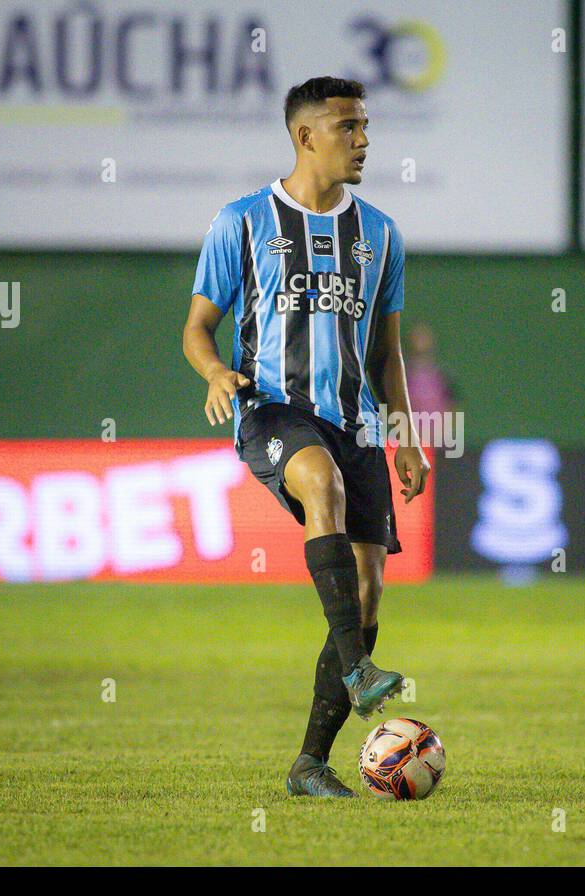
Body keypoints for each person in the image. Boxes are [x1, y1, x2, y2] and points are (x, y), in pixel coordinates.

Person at [182, 76, 431, 796]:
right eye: (348, 126)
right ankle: (359, 669)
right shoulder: (244, 221)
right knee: (316, 479)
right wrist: (214, 372)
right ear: (305, 136)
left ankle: (310, 763)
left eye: (365, 126)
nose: (364, 140)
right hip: (273, 411)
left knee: (370, 588)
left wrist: (404, 435)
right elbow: (198, 328)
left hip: (355, 423)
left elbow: (386, 352)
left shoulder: (380, 234)